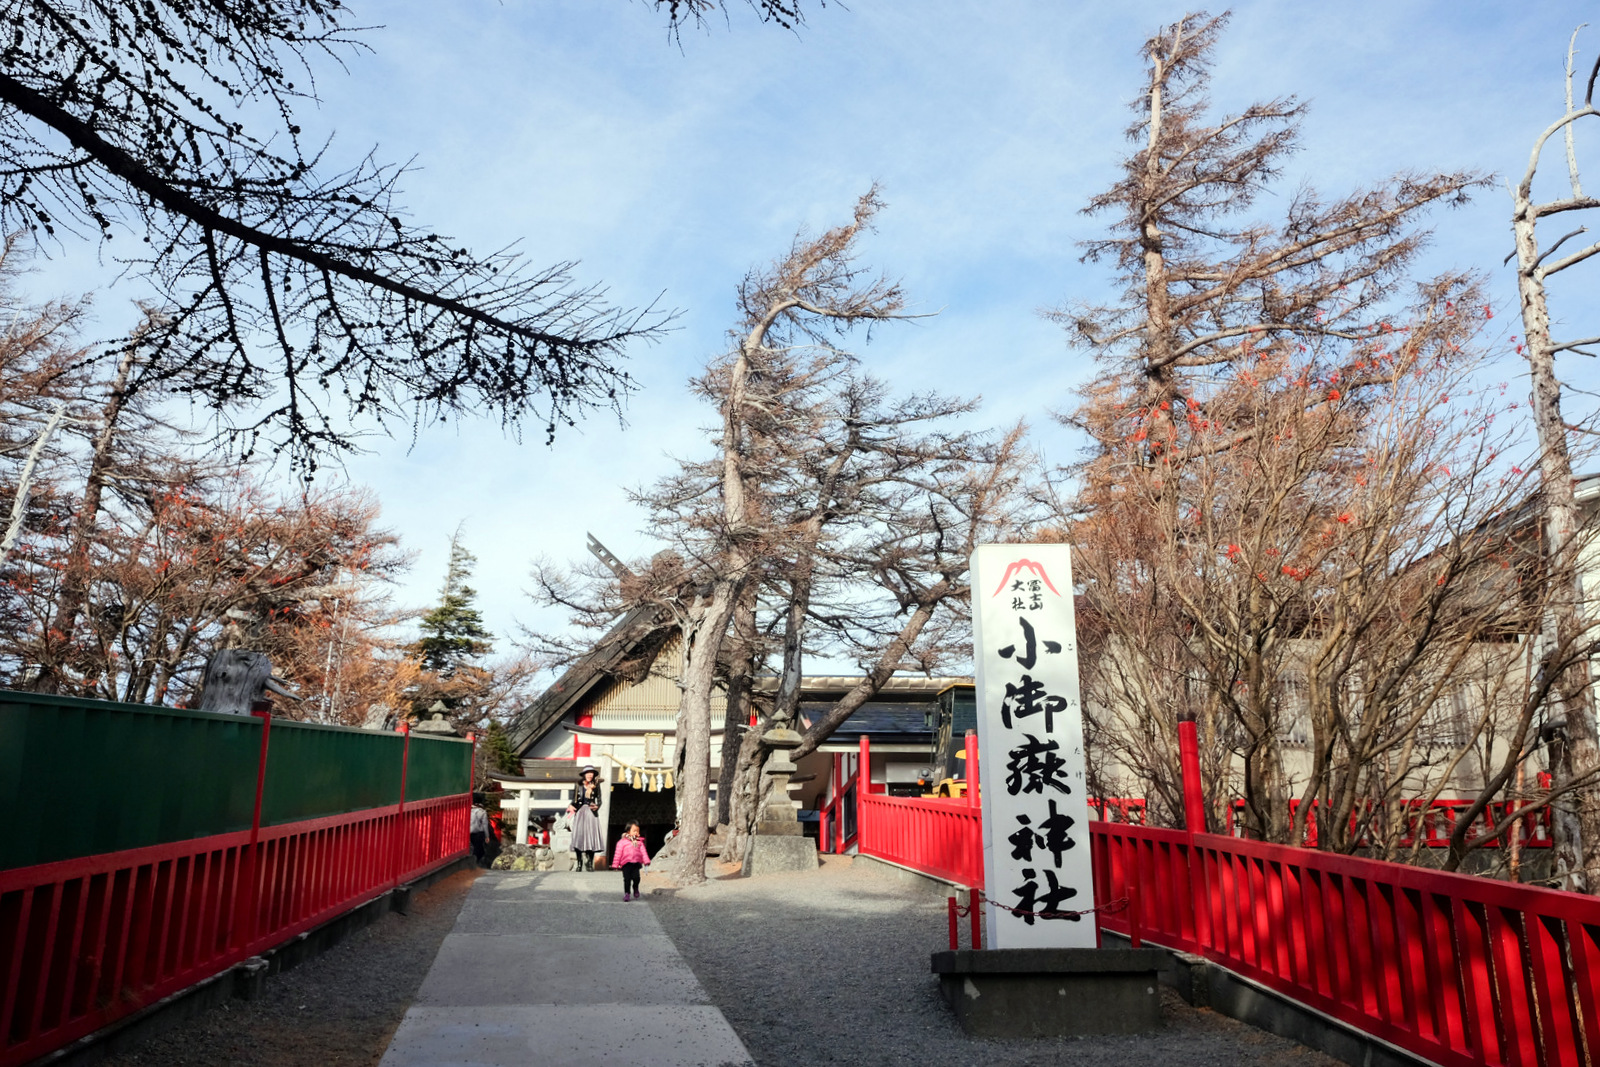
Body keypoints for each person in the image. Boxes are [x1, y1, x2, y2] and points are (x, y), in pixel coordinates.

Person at [568, 766, 605, 871]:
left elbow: (599, 800)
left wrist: (597, 806)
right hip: (580, 812)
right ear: (584, 774)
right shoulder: (578, 785)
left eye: (591, 773)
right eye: (588, 773)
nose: (590, 775)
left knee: (591, 837)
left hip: (591, 813)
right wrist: (571, 806)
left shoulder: (595, 786)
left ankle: (589, 863)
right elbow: (574, 799)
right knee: (579, 836)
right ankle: (579, 863)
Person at [612, 821, 650, 901]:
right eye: (634, 830)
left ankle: (635, 888)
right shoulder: (622, 842)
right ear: (628, 831)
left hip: (636, 863)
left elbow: (643, 852)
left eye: (637, 831)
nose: (636, 833)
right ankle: (627, 893)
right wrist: (615, 864)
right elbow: (618, 854)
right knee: (627, 879)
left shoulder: (639, 842)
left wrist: (646, 861)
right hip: (626, 864)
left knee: (637, 878)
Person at [469, 796, 490, 867]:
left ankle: (473, 862)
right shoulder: (482, 812)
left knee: (472, 848)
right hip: (478, 833)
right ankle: (474, 862)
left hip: (468, 833)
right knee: (479, 850)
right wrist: (487, 836)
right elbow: (485, 825)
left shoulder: (468, 810)